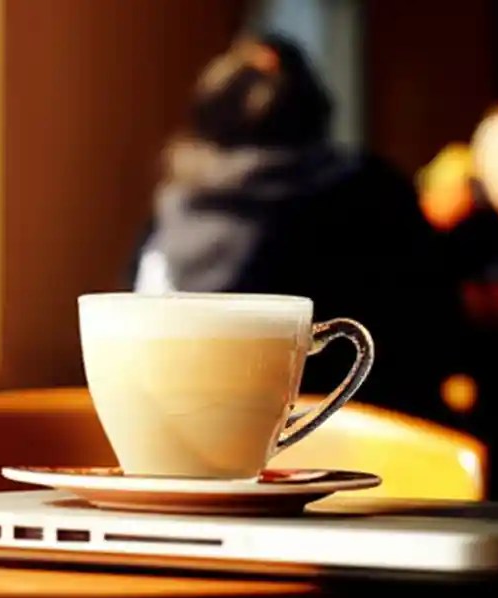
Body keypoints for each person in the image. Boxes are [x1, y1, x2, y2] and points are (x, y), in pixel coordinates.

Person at [130, 34, 463, 424]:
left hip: (181, 435)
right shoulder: (370, 190)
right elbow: (439, 333)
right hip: (359, 444)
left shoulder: (177, 200)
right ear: (319, 109)